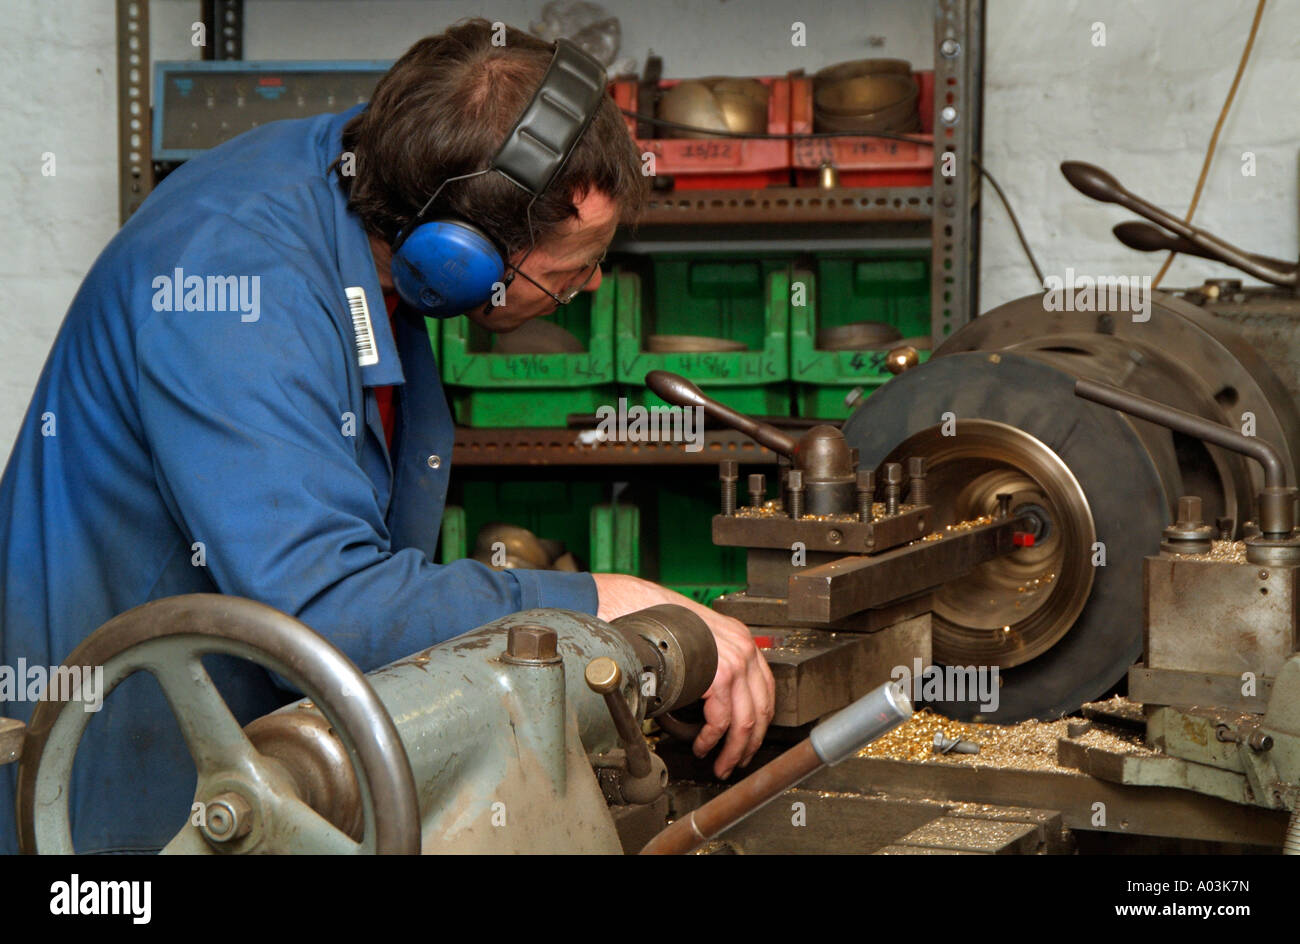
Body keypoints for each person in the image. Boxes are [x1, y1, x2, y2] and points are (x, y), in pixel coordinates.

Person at [0, 19, 772, 854]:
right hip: (125, 767)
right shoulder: (234, 280)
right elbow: (324, 605)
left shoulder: (372, 197)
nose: (585, 289)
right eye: (568, 272)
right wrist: (602, 600)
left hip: (249, 738)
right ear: (459, 255)